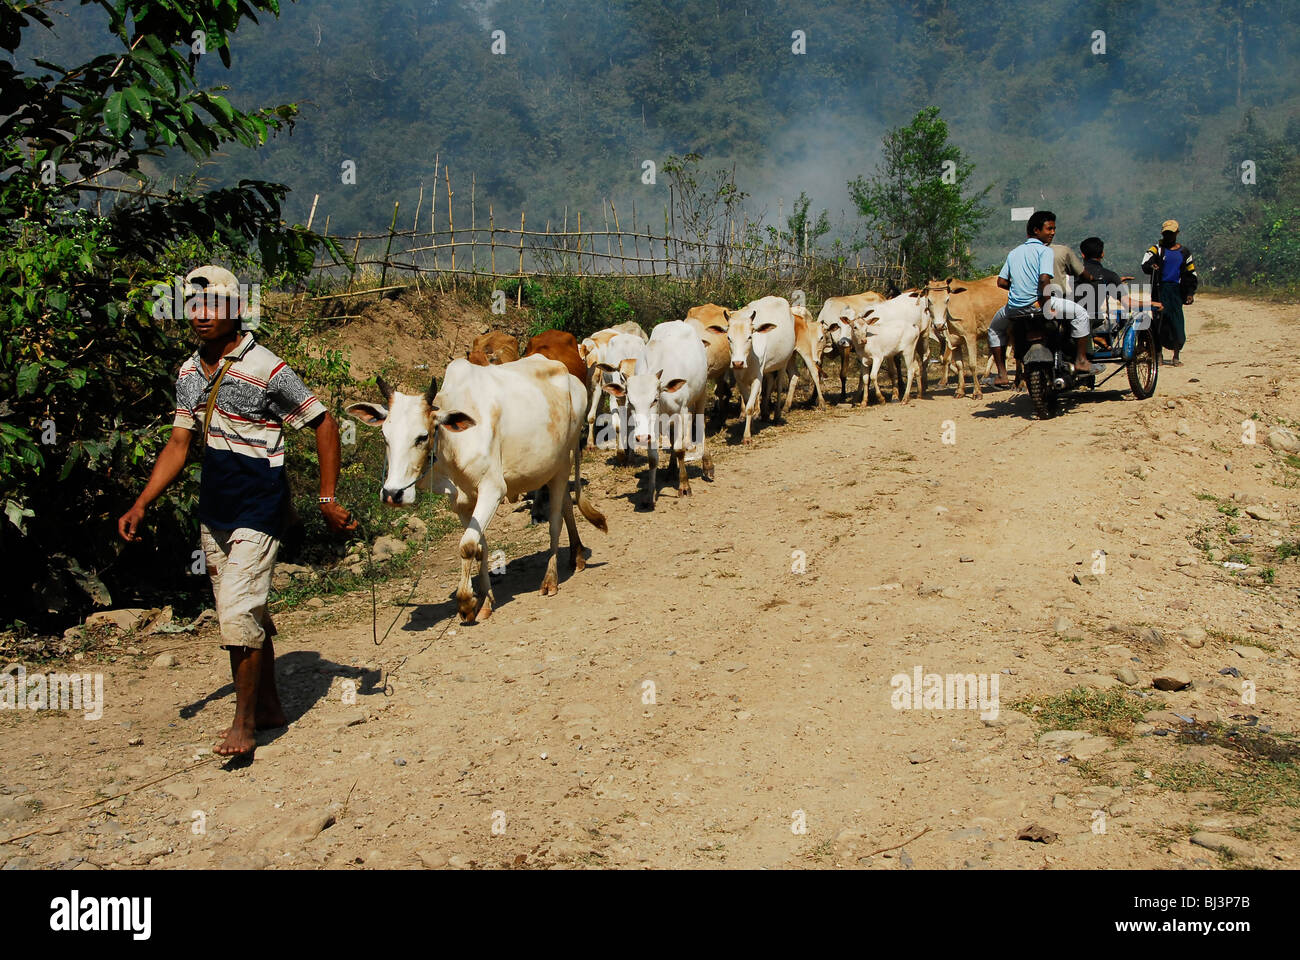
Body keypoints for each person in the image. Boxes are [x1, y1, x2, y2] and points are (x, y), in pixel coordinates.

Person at [117, 265, 357, 758]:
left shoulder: (266, 366)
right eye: (195, 307)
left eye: (214, 307)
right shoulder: (188, 372)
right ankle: (267, 706)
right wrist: (142, 502)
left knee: (236, 611)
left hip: (261, 506)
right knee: (244, 612)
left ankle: (243, 726)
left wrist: (327, 499)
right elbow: (180, 443)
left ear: (237, 311)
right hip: (216, 510)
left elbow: (323, 422)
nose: (203, 316)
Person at [987, 210, 1097, 386]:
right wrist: (1047, 306)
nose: (1053, 232)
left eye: (1054, 229)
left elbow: (1001, 282)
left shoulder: (1013, 253)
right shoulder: (1045, 251)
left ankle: (1001, 373)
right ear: (1036, 230)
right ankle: (1081, 360)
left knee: (994, 330)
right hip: (1039, 304)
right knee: (1081, 314)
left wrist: (1018, 290)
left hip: (1014, 308)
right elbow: (1044, 279)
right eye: (1049, 229)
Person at [1141, 219, 1198, 366]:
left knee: (1176, 322)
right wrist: (1151, 266)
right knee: (1159, 322)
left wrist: (1190, 292)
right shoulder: (1156, 250)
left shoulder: (1184, 252)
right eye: (1166, 234)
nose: (1169, 236)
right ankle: (1158, 354)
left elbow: (1191, 273)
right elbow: (1145, 264)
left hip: (1176, 292)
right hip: (1160, 291)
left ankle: (1176, 356)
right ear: (1162, 234)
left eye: (1171, 233)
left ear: (1177, 233)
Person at [1075, 236, 1125, 333]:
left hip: (1073, 321)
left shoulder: (1072, 274)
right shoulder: (1110, 275)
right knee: (1123, 318)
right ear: (1102, 254)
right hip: (1095, 324)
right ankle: (1105, 341)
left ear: (1083, 255)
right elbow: (1127, 302)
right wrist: (1150, 303)